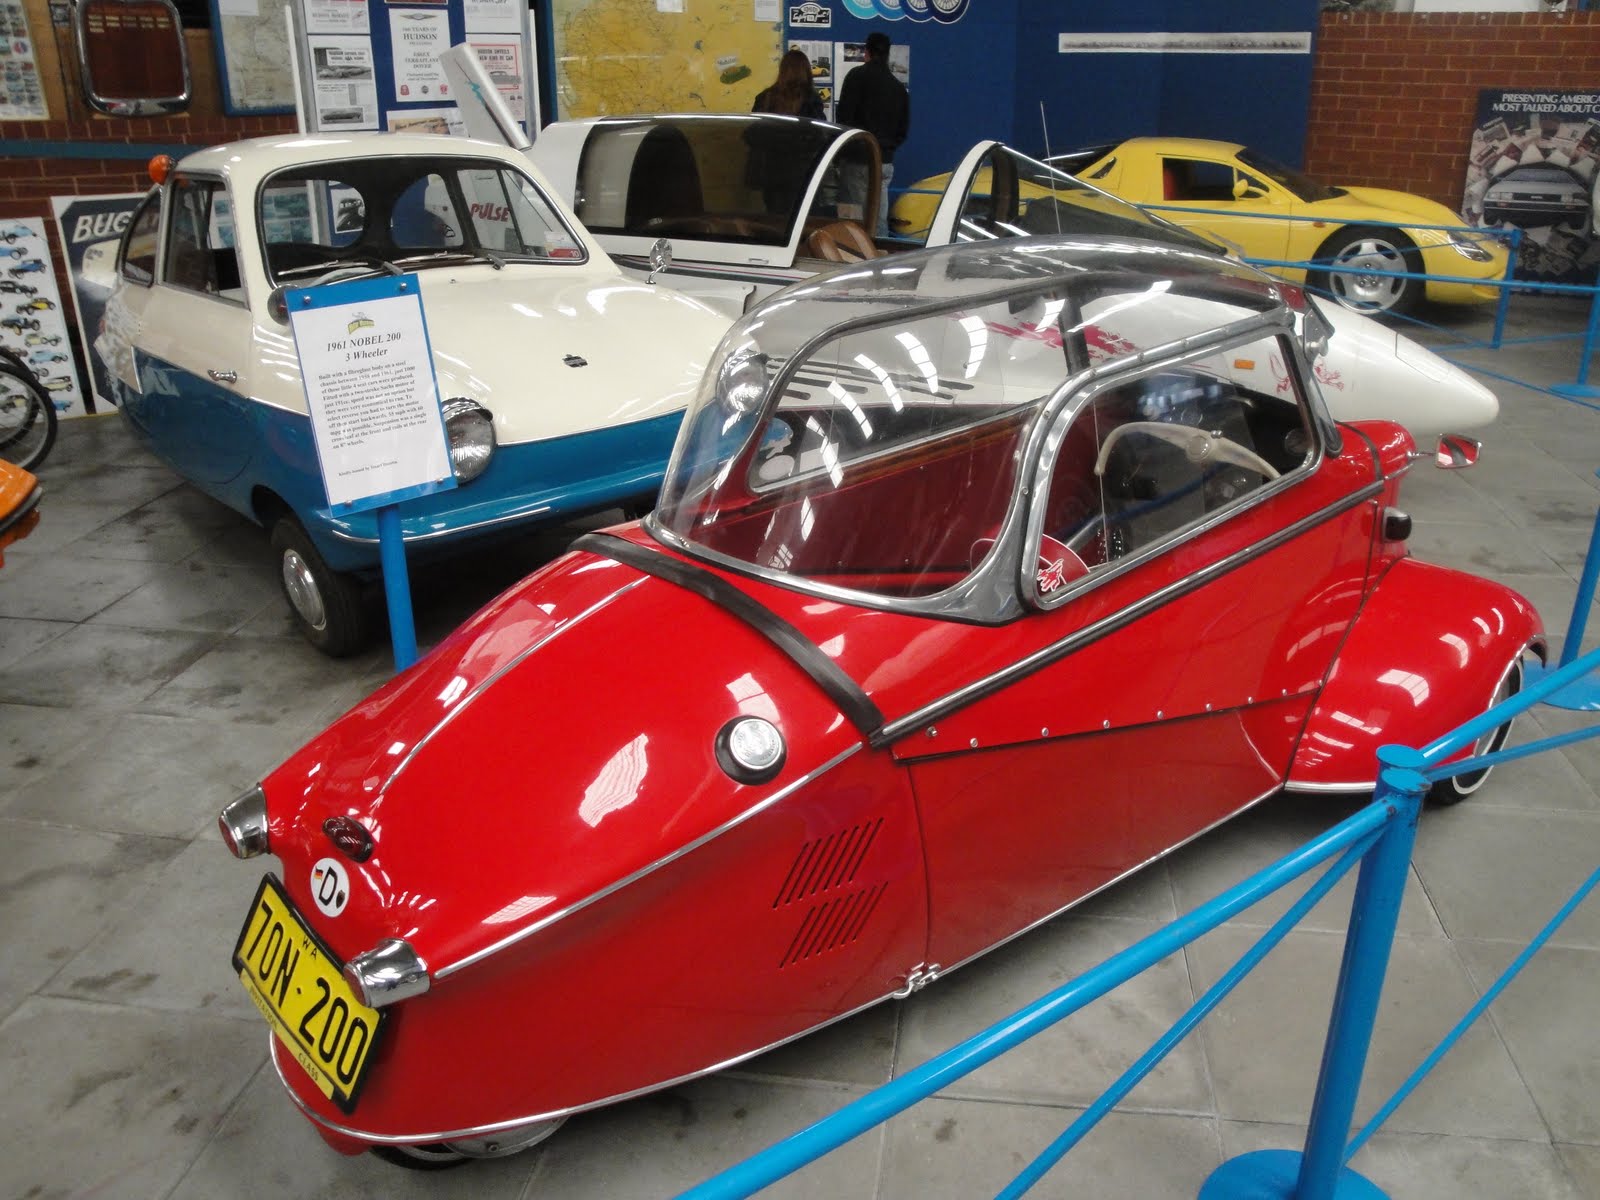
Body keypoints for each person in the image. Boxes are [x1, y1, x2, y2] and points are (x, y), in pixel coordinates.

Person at [835, 31, 909, 239]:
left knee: (851, 220)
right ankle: (878, 252)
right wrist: (886, 149)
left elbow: (844, 118)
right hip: (884, 161)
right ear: (888, 54)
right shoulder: (898, 88)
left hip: (856, 160)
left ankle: (851, 254)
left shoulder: (855, 77)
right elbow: (903, 130)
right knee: (879, 219)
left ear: (866, 52)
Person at [752, 49, 824, 119]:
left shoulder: (764, 97)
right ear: (807, 72)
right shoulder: (812, 99)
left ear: (782, 71)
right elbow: (819, 124)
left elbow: (755, 124)